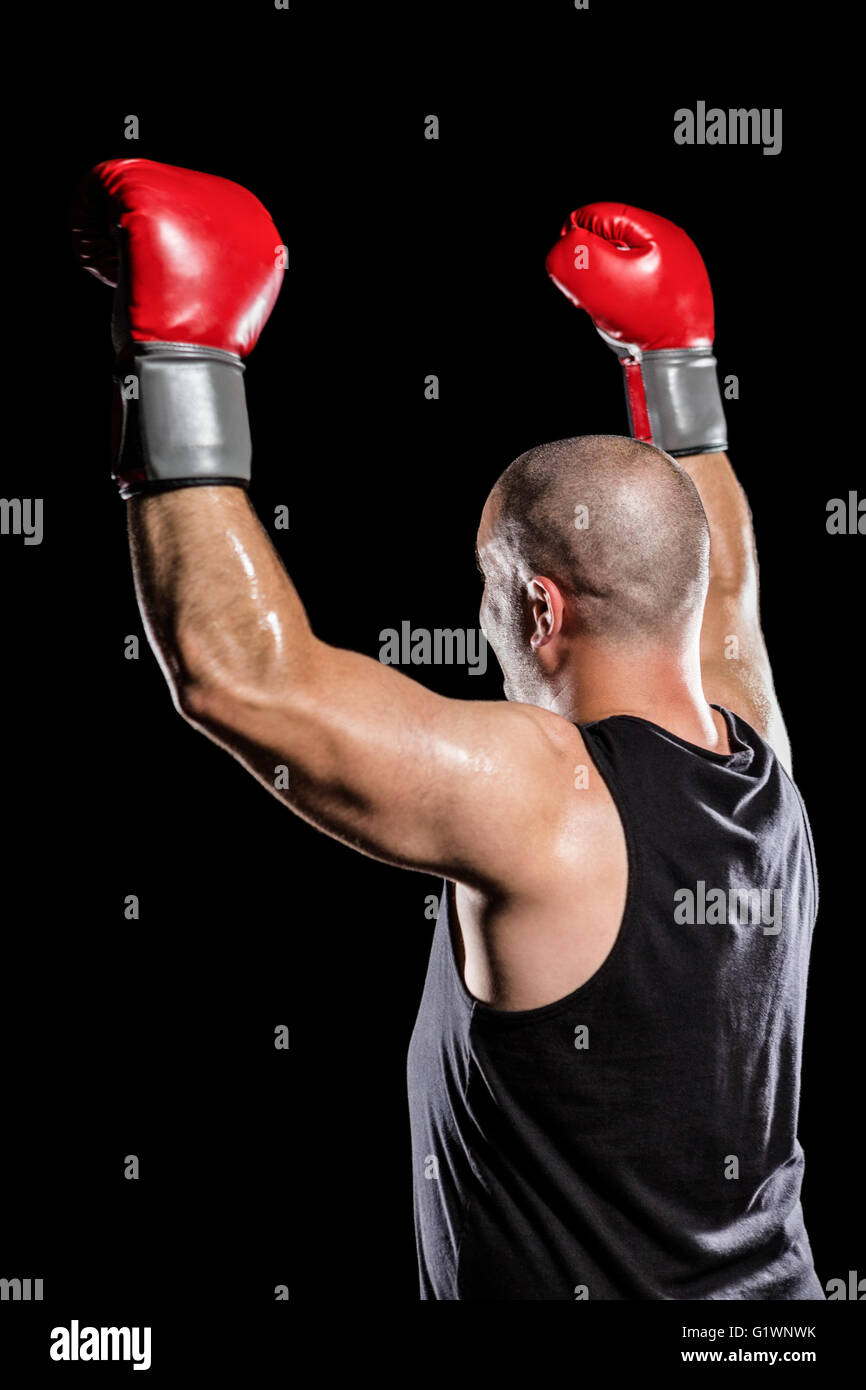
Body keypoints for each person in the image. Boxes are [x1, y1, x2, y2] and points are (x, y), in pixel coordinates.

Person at [74, 163, 823, 1301]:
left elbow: (244, 679)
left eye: (485, 586)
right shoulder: (760, 763)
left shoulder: (551, 806)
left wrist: (184, 354)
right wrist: (672, 364)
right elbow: (718, 595)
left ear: (539, 607)